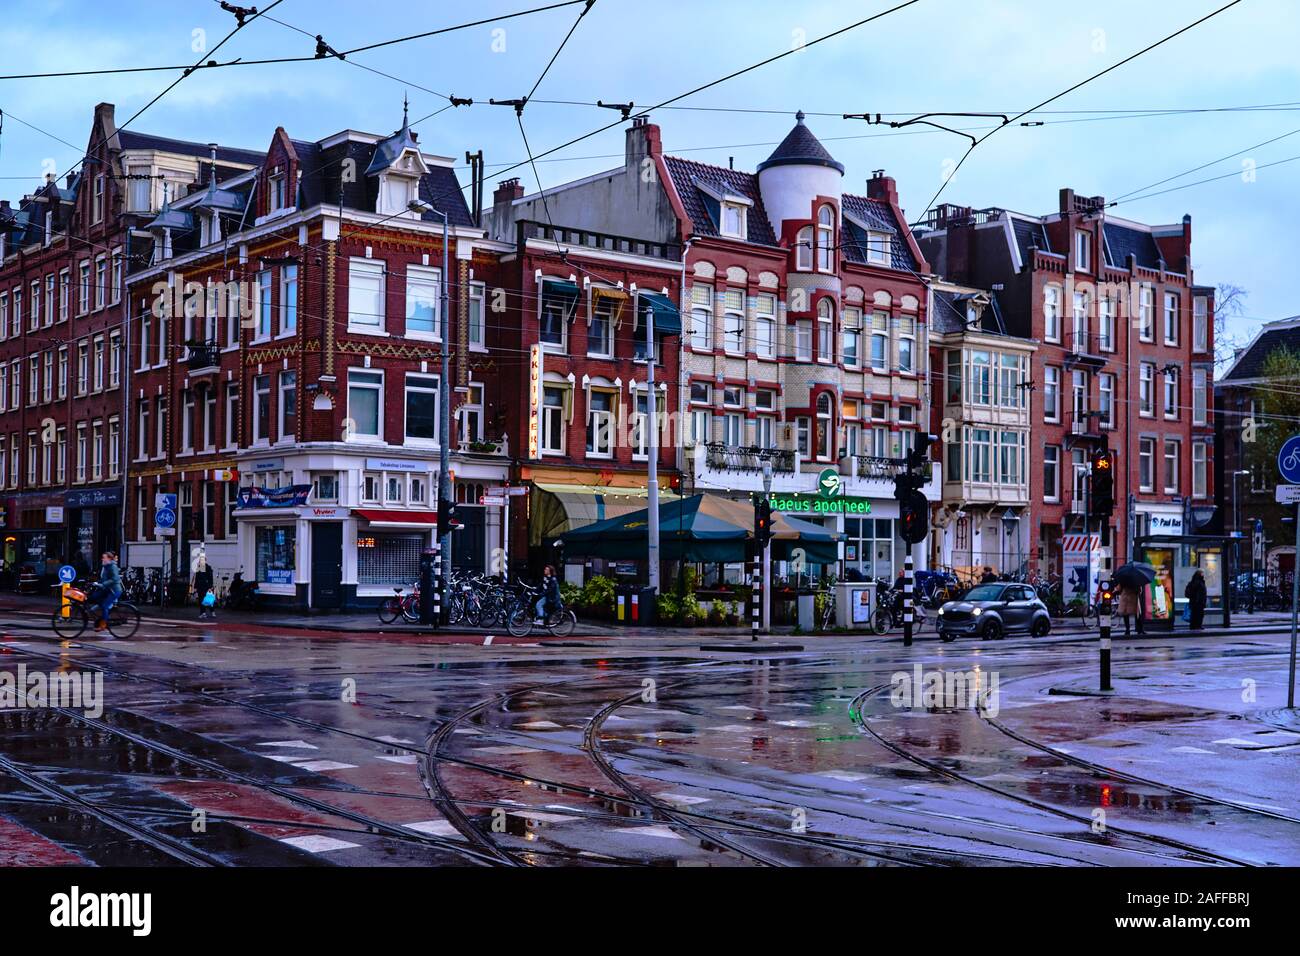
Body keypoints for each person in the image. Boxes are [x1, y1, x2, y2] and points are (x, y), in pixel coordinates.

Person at [92, 551, 122, 632]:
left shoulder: (112, 567)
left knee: (105, 606)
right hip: (107, 589)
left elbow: (114, 579)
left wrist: (103, 584)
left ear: (109, 558)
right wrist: (97, 583)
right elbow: (104, 578)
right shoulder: (106, 566)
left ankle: (103, 624)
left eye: (104, 557)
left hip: (114, 590)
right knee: (94, 596)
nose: (102, 559)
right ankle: (104, 614)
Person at [192, 554, 215, 620]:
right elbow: (198, 578)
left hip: (203, 586)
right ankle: (209, 612)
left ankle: (204, 613)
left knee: (203, 599)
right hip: (204, 586)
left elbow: (198, 578)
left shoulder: (203, 568)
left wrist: (196, 586)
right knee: (206, 599)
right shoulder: (207, 568)